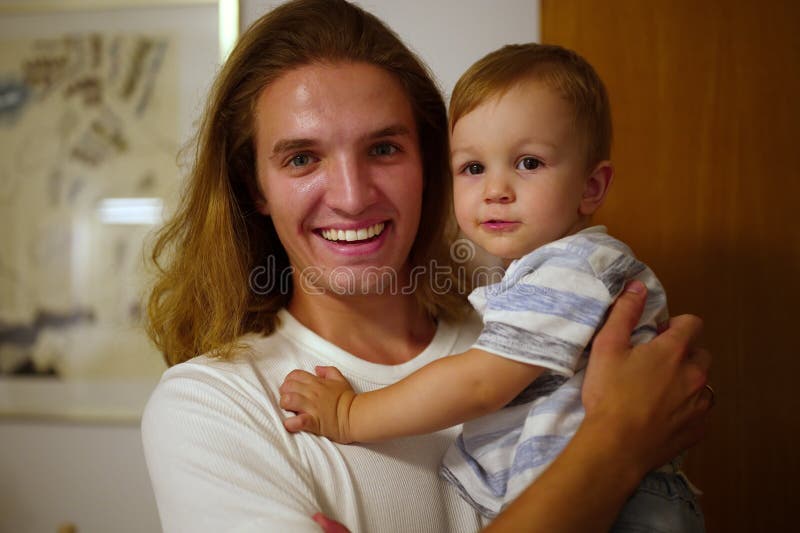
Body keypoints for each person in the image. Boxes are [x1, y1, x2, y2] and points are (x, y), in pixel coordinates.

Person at [140, 1, 712, 532]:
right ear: (253, 185)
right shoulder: (211, 407)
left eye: (384, 148)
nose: (351, 195)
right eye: (302, 157)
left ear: (428, 162)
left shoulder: (517, 329)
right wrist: (617, 444)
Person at [279, 43, 705, 531]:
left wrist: (349, 414)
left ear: (591, 188)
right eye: (473, 168)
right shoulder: (534, 275)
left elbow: (481, 383)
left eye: (528, 163)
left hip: (628, 507)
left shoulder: (578, 269)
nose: (496, 189)